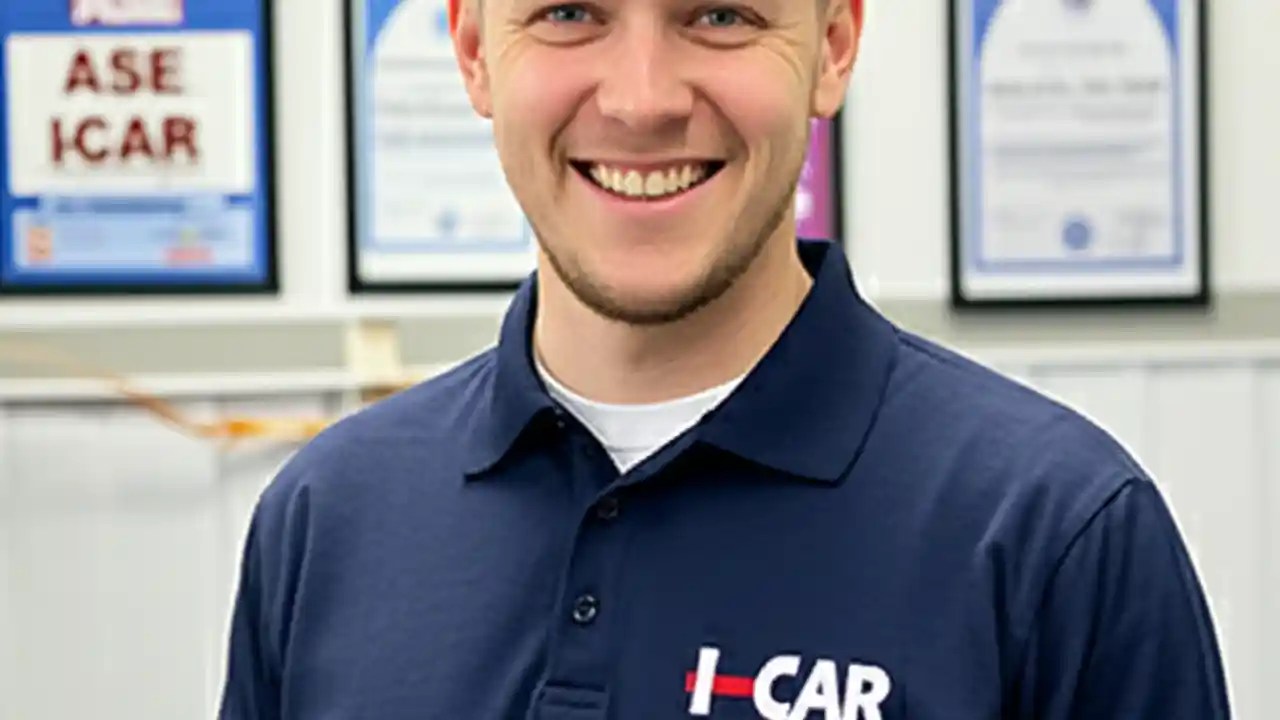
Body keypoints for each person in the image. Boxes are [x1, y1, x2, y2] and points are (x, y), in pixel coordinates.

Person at [219, 0, 1232, 717]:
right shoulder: (327, 522)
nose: (642, 99)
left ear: (832, 44)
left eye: (719, 16)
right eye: (570, 13)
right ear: (475, 49)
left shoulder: (1053, 535)